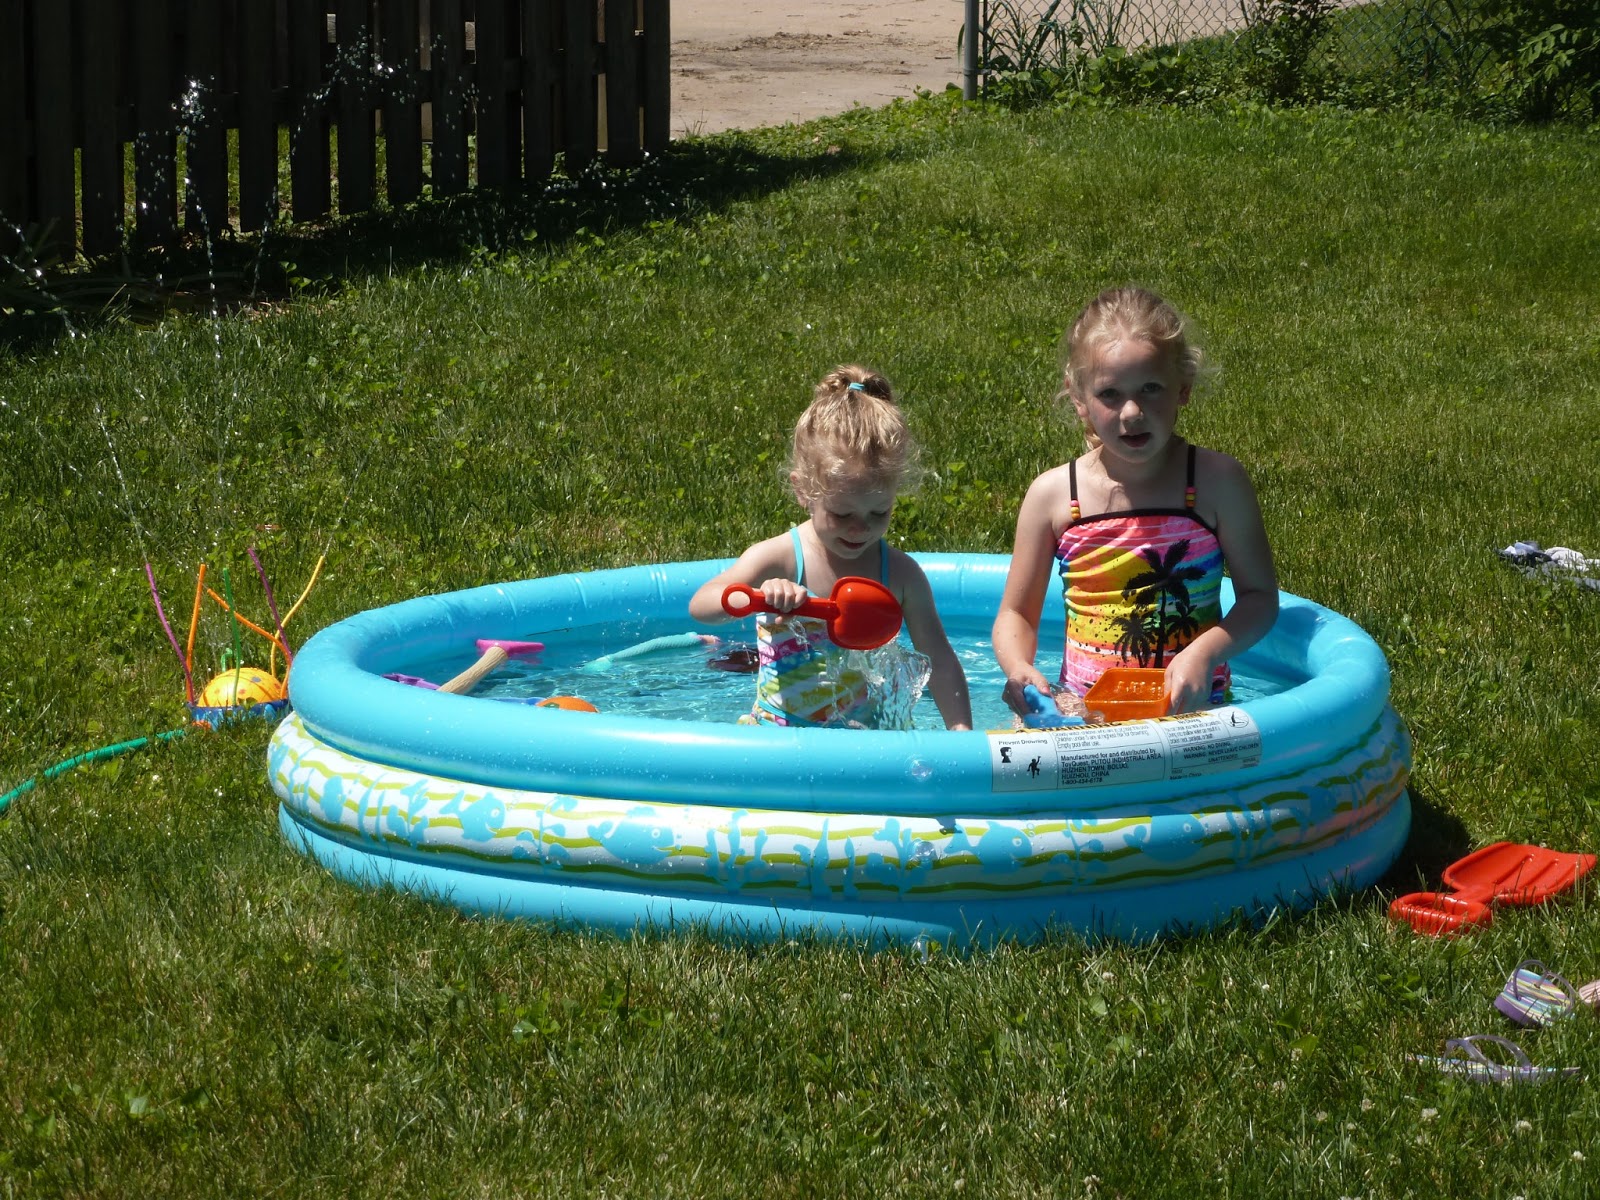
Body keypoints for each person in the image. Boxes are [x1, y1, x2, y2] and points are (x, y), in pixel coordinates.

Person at [993, 287, 1278, 718]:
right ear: (1079, 397)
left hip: (1195, 713)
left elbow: (1259, 598)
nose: (1131, 412)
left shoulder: (1216, 483)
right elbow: (1016, 612)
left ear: (1183, 387)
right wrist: (1019, 667)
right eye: (1110, 394)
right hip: (1083, 715)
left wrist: (1204, 652)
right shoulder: (1055, 496)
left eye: (1150, 388)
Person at [690, 366, 973, 731]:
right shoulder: (782, 559)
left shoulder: (901, 575)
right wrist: (761, 596)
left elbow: (939, 658)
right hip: (779, 739)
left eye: (879, 512)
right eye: (842, 514)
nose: (861, 528)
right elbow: (702, 605)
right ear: (803, 491)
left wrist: (960, 731)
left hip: (867, 740)